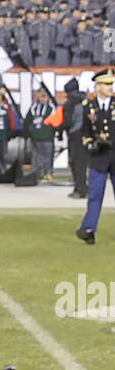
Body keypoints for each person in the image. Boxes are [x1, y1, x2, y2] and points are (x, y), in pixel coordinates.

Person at [76, 67, 115, 244]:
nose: (110, 87)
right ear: (97, 86)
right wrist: (92, 143)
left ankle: (88, 227)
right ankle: (89, 229)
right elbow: (84, 132)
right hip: (98, 156)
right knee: (95, 195)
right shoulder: (89, 107)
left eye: (111, 84)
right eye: (106, 84)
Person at [62, 76, 89, 199]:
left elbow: (68, 122)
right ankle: (82, 187)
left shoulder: (69, 103)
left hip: (74, 135)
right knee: (81, 164)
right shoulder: (85, 100)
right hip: (85, 135)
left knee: (75, 163)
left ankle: (80, 189)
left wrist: (56, 127)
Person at [24, 86, 56, 182]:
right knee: (36, 155)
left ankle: (48, 173)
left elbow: (55, 121)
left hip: (47, 136)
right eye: (41, 96)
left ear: (48, 97)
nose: (42, 99)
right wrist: (29, 131)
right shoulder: (34, 107)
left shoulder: (52, 108)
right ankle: (36, 173)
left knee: (48, 155)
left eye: (44, 96)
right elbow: (28, 120)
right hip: (36, 136)